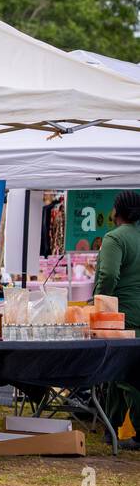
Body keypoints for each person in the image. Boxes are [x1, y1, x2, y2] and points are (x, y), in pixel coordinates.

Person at [95, 190, 140, 449]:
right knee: (125, 374)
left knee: (124, 375)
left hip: (122, 316)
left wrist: (101, 304)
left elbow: (109, 275)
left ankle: (118, 427)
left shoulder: (115, 238)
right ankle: (110, 426)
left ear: (118, 211)